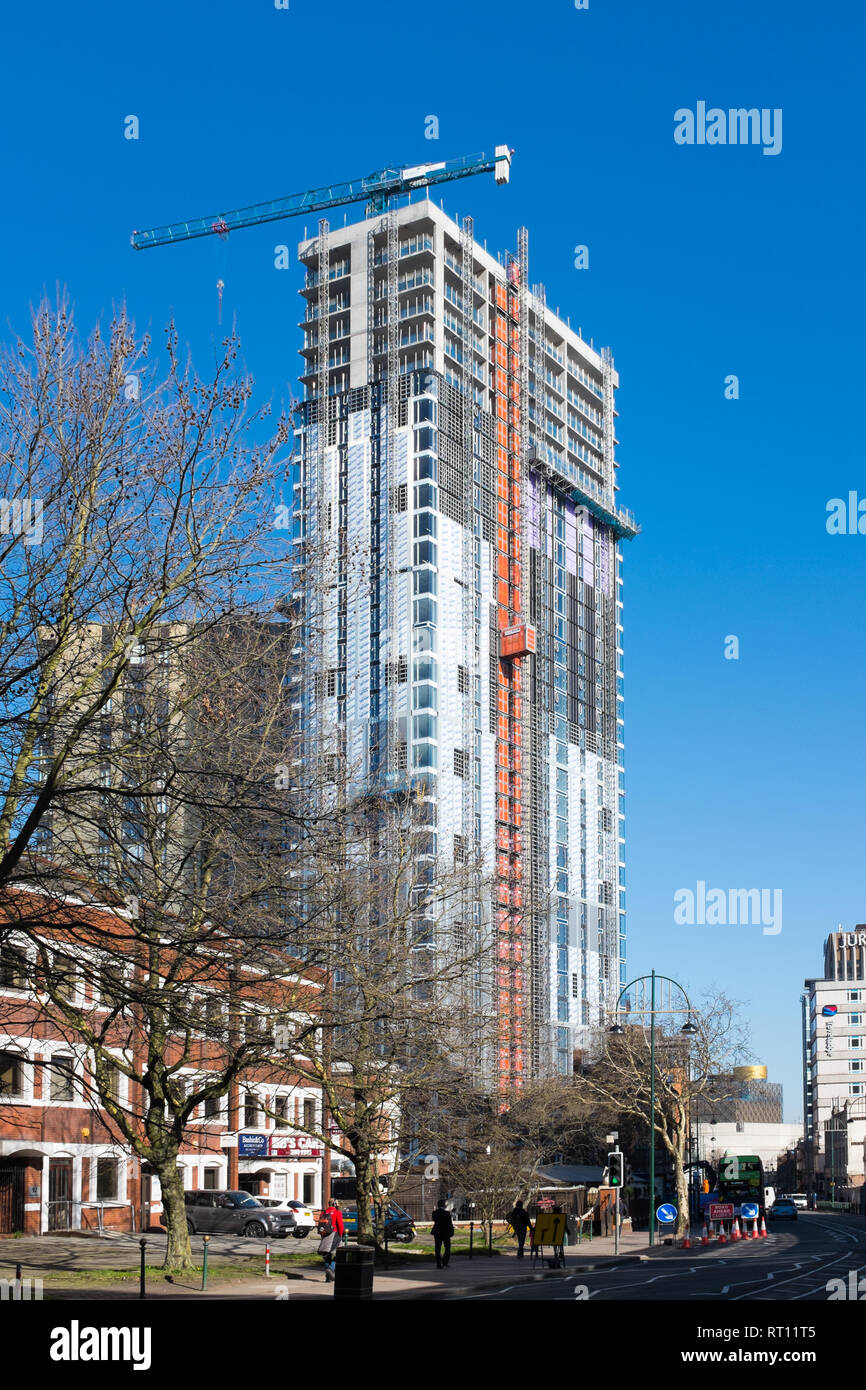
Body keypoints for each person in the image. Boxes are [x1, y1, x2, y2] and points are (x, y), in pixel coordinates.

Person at [317, 1199, 344, 1282]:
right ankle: (331, 1268)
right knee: (340, 1255)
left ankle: (328, 1277)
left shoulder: (323, 1213)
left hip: (325, 1236)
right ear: (335, 1204)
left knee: (327, 1256)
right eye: (338, 1203)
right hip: (335, 1236)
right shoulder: (337, 1212)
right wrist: (341, 1234)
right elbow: (340, 1225)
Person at [431, 1198, 455, 1269]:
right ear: (444, 1205)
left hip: (437, 1232)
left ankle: (438, 1263)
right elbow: (449, 1224)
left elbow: (434, 1220)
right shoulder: (447, 1213)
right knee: (447, 1247)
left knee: (437, 1248)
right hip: (445, 1232)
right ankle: (445, 1262)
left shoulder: (434, 1213)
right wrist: (451, 1232)